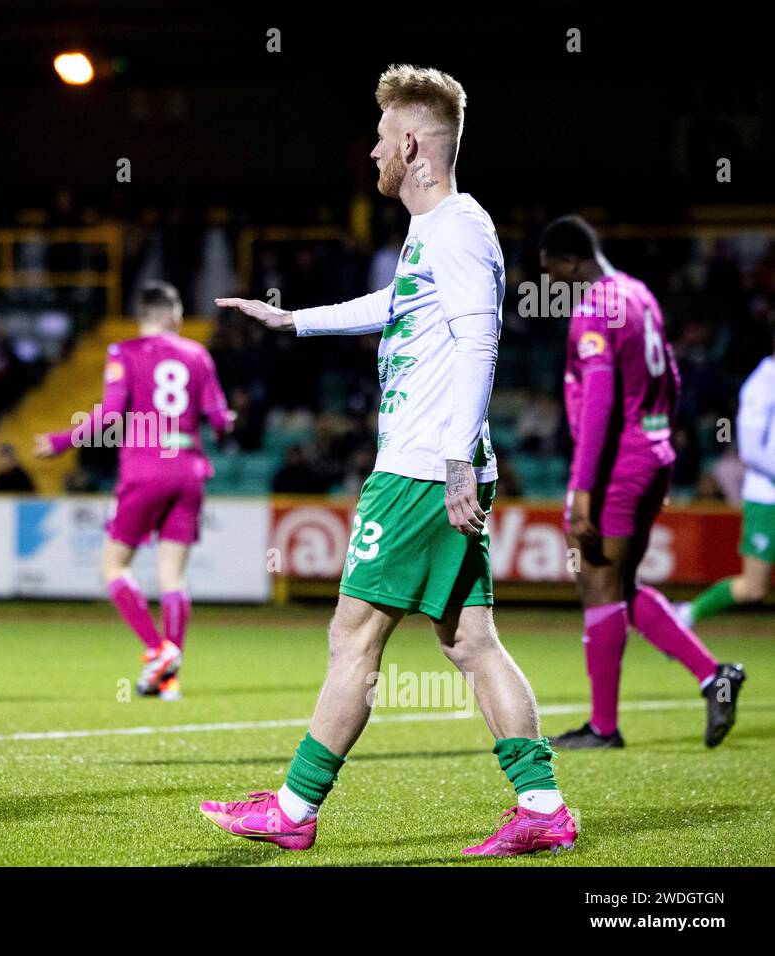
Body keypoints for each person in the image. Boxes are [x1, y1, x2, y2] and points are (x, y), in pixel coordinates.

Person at [207, 65, 575, 855]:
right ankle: (542, 806)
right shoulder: (435, 230)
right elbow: (397, 305)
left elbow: (481, 339)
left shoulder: (459, 227)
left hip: (418, 469)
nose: (372, 150)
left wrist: (451, 463)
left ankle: (294, 811)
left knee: (352, 637)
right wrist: (293, 321)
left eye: (380, 137)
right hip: (439, 462)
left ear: (411, 143)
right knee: (472, 643)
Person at [538, 215, 744, 751]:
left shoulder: (594, 309)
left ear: (571, 261)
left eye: (551, 272)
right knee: (622, 588)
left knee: (597, 583)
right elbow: (671, 376)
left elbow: (601, 401)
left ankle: (604, 728)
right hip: (650, 457)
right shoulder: (640, 295)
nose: (550, 285)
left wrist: (583, 489)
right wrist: (663, 450)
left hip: (614, 467)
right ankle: (712, 675)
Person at [35, 280, 233, 701]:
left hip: (145, 467)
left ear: (142, 315)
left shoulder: (122, 353)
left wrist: (60, 442)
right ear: (172, 314)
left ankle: (156, 651)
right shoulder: (198, 354)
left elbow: (109, 415)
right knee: (173, 577)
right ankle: (168, 679)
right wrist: (226, 421)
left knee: (113, 567)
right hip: (189, 469)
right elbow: (219, 421)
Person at [679, 317, 775, 628]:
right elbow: (749, 449)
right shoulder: (763, 384)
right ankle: (686, 616)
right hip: (767, 497)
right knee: (754, 587)